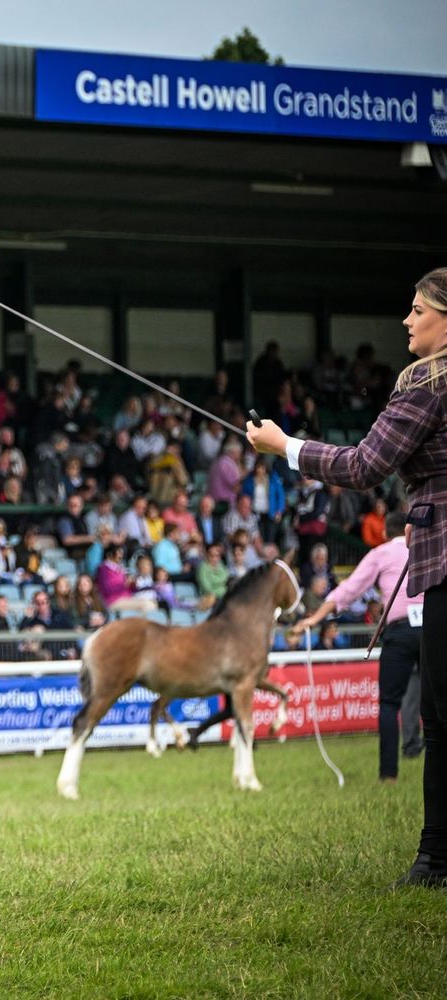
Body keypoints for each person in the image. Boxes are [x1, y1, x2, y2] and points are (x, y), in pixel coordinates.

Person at [248, 266, 447, 890]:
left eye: (418, 310)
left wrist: (285, 447)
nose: (407, 320)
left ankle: (436, 860)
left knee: (440, 723)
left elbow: (365, 464)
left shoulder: (427, 382)